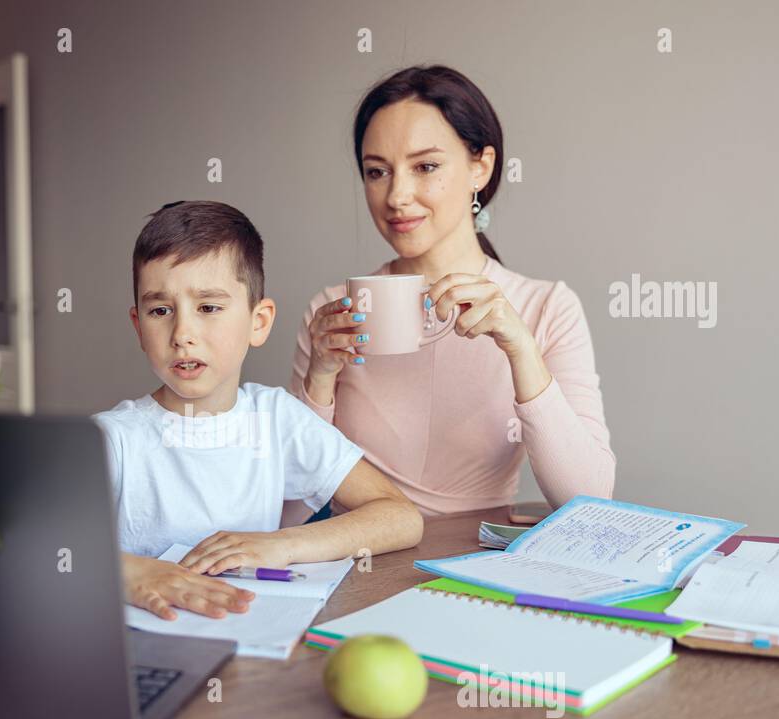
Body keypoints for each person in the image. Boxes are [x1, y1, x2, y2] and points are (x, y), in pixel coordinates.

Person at [289, 65, 615, 522]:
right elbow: (288, 514)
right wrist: (319, 381)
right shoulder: (332, 312)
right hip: (357, 560)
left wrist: (522, 351)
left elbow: (589, 498)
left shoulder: (546, 307)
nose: (397, 196)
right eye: (377, 171)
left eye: (425, 167)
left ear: (480, 167)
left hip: (475, 568)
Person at [96, 200, 423, 621]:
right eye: (161, 311)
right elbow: (35, 548)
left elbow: (400, 518)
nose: (183, 334)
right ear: (139, 326)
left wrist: (282, 545)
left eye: (209, 307)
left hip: (252, 641)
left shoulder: (276, 418)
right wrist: (131, 572)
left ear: (259, 321)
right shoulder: (112, 437)